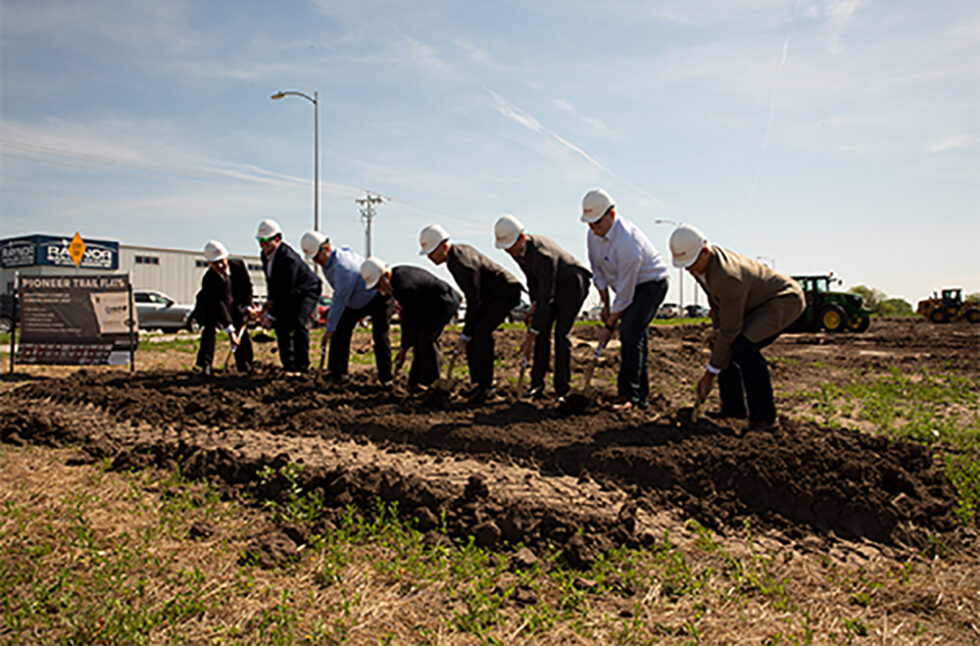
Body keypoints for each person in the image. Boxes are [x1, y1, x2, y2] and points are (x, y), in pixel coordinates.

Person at [669, 224, 805, 432]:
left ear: (705, 252)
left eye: (691, 264)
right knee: (724, 344)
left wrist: (709, 375)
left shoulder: (727, 275)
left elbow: (730, 331)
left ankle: (766, 418)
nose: (689, 270)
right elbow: (717, 305)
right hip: (753, 304)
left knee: (744, 348)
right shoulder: (701, 267)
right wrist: (718, 331)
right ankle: (733, 409)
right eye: (684, 265)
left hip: (782, 301)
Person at [581, 187, 670, 411]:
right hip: (629, 287)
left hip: (651, 284)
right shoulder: (593, 235)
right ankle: (641, 398)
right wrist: (605, 304)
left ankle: (628, 396)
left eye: (597, 223)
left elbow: (625, 293)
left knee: (629, 331)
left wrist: (609, 324)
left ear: (611, 214)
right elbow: (598, 272)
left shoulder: (628, 242)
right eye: (589, 223)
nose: (592, 228)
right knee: (637, 337)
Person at [419, 224, 522, 403]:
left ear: (444, 246)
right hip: (490, 296)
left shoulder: (461, 263)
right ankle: (479, 385)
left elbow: (474, 301)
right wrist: (467, 334)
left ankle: (487, 388)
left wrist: (465, 334)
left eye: (432, 251)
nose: (429, 257)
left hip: (504, 293)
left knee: (481, 333)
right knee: (475, 335)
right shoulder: (455, 257)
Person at [493, 214, 591, 400]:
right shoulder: (516, 250)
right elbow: (532, 281)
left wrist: (530, 336)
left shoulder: (542, 255)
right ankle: (537, 385)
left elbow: (547, 298)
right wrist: (534, 305)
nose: (508, 252)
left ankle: (563, 390)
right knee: (542, 332)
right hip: (550, 286)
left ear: (521, 238)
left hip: (572, 284)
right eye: (505, 249)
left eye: (510, 247)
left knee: (561, 334)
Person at [300, 230, 393, 386]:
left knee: (380, 337)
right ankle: (338, 373)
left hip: (376, 296)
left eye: (317, 257)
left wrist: (329, 329)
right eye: (313, 259)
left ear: (326, 249)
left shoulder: (343, 267)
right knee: (340, 332)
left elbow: (339, 300)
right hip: (355, 300)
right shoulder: (328, 264)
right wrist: (333, 328)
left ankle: (386, 379)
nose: (316, 261)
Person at [360, 257, 462, 390]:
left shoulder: (403, 285)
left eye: (378, 285)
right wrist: (406, 346)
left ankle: (432, 383)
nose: (378, 290)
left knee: (427, 339)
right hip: (428, 306)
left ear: (386, 275)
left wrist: (404, 347)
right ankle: (415, 382)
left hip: (443, 302)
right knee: (420, 340)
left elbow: (410, 319)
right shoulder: (397, 279)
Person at [253, 219, 322, 376]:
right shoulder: (265, 257)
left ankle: (302, 366)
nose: (262, 245)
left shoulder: (288, 259)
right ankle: (289, 366)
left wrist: (272, 314)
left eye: (265, 240)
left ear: (277, 239)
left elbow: (286, 289)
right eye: (259, 241)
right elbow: (272, 283)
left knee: (298, 323)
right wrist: (270, 303)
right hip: (289, 292)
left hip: (306, 291)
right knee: (281, 326)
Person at [194, 240, 253, 375]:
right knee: (209, 330)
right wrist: (230, 331)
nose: (220, 265)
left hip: (234, 303)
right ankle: (205, 365)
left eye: (222, 261)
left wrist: (248, 305)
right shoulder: (209, 279)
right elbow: (218, 306)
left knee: (241, 330)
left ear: (226, 257)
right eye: (215, 263)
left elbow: (247, 287)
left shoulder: (238, 266)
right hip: (210, 305)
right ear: (210, 264)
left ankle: (245, 364)